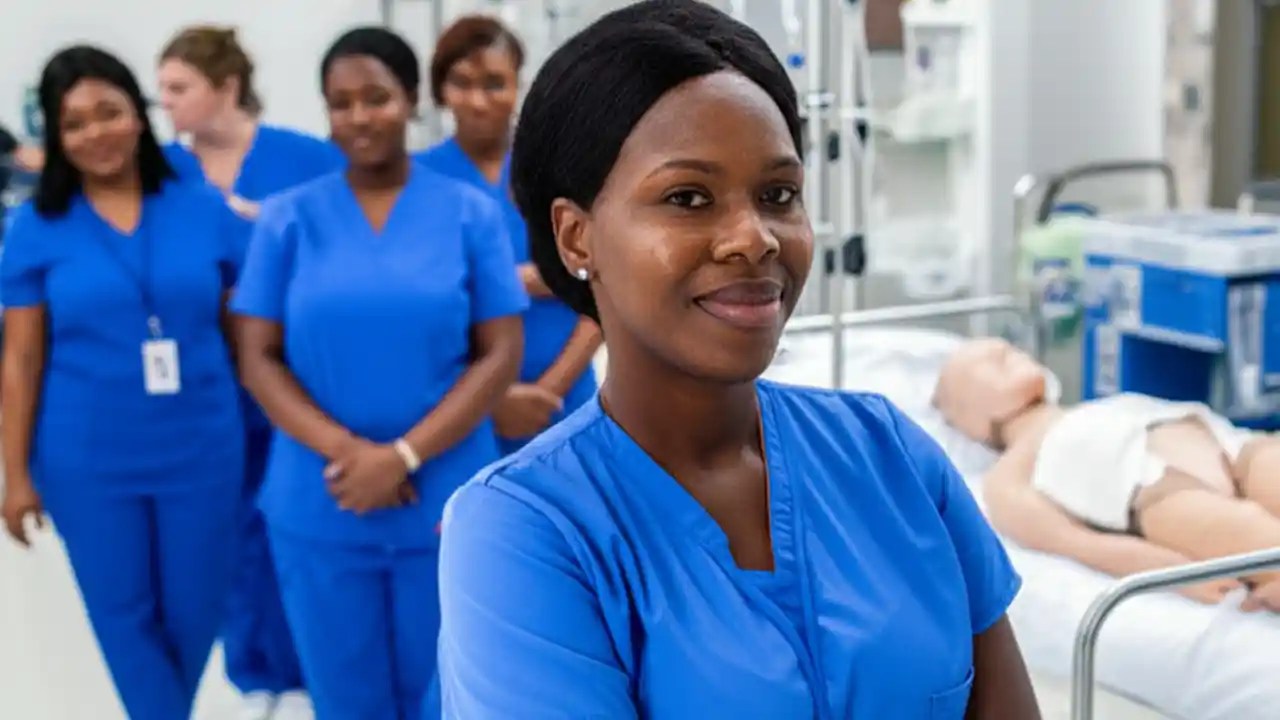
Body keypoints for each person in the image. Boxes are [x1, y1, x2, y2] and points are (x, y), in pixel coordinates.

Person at [435, 2, 1041, 719]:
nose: (754, 238)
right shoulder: (524, 532)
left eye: (778, 194)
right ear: (576, 238)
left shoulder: (893, 458)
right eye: (688, 198)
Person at [230, 27, 526, 720]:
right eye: (341, 103)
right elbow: (257, 356)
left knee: (451, 694)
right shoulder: (288, 219)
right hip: (323, 498)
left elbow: (499, 353)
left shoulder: (467, 214)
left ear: (411, 101)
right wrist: (353, 457)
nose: (359, 117)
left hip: (445, 500)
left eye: (376, 98)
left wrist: (404, 455)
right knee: (344, 698)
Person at [0, 45, 248, 720]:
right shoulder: (35, 228)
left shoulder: (200, 205)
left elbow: (246, 336)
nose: (95, 133)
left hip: (204, 448)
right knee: (123, 615)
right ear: (55, 136)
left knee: (196, 610)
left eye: (109, 111)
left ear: (138, 115)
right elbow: (19, 360)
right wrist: (13, 474)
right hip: (87, 459)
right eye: (73, 123)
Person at [157, 25, 341, 719]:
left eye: (179, 88)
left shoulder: (305, 160)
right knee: (226, 527)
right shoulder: (164, 174)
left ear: (226, 87)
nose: (164, 104)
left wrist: (264, 221)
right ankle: (255, 675)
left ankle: (308, 670)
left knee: (298, 521)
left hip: (299, 379)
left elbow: (345, 244)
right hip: (204, 385)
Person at [931, 337, 1280, 611]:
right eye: (992, 361)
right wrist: (1176, 573)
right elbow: (1078, 543)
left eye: (1010, 349)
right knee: (1252, 531)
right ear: (972, 422)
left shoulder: (1090, 406)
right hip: (1157, 487)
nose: (1010, 352)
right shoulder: (1007, 475)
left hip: (1227, 444)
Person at [417, 15, 601, 454]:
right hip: (460, 411)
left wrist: (551, 391)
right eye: (461, 83)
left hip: (567, 401)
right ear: (441, 90)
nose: (478, 101)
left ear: (518, 86)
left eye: (495, 83)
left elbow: (605, 286)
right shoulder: (417, 181)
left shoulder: (560, 168)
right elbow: (417, 302)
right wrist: (539, 278)